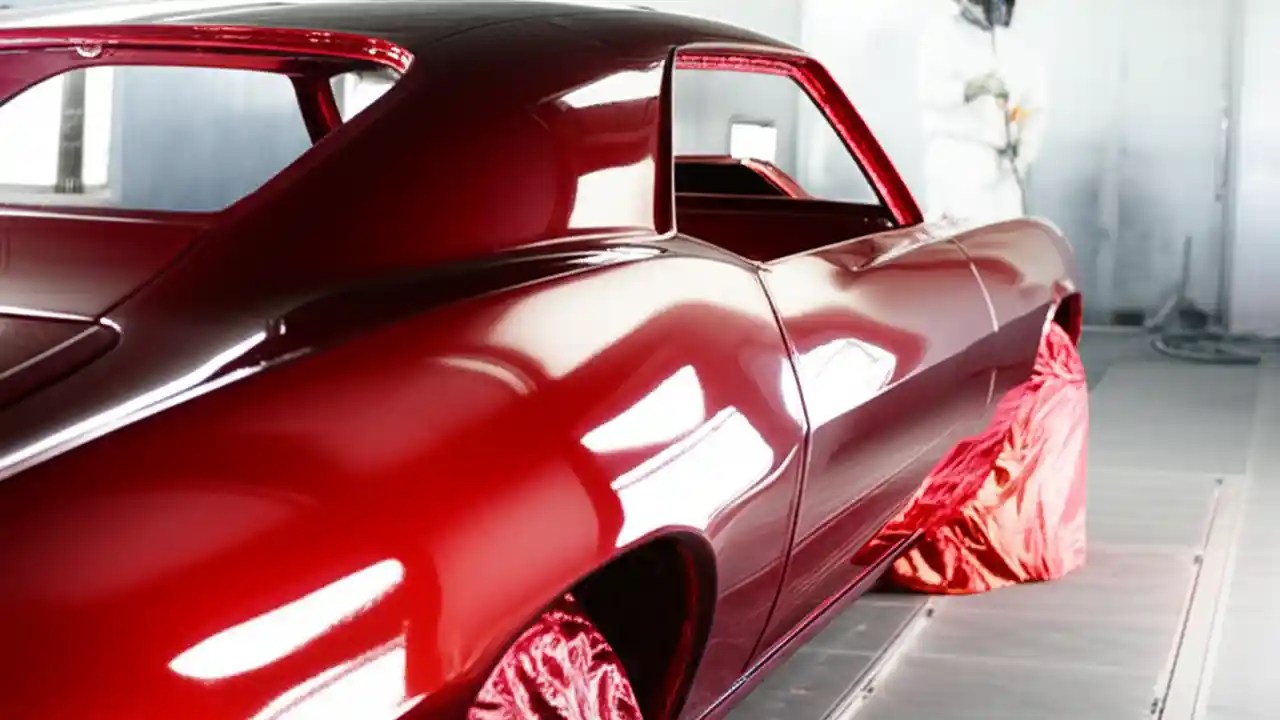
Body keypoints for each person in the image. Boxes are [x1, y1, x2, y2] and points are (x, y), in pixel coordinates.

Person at [918, 0, 1048, 223]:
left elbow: (1034, 107)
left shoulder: (1016, 44)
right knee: (960, 241)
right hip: (958, 158)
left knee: (1005, 243)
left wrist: (1024, 154)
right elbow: (928, 91)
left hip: (1004, 169)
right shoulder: (943, 33)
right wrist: (972, 88)